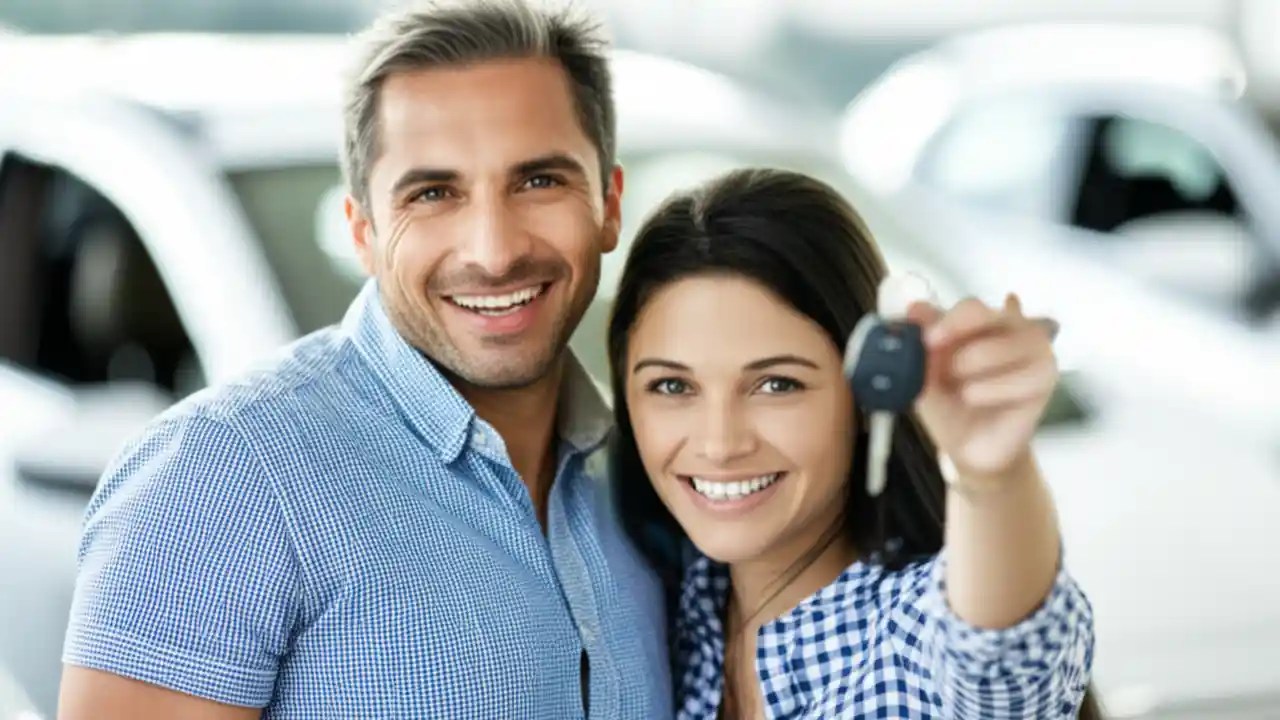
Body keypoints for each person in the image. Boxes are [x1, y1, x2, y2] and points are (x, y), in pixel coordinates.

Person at [57, 1, 672, 718]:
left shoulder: (654, 476)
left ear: (609, 203)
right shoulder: (225, 474)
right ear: (364, 231)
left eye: (539, 181)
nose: (495, 250)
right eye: (434, 193)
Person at [606, 167, 1099, 718]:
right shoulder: (655, 614)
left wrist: (991, 476)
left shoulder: (913, 644)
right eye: (672, 386)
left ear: (866, 396)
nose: (719, 443)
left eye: (777, 384)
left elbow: (1001, 651)